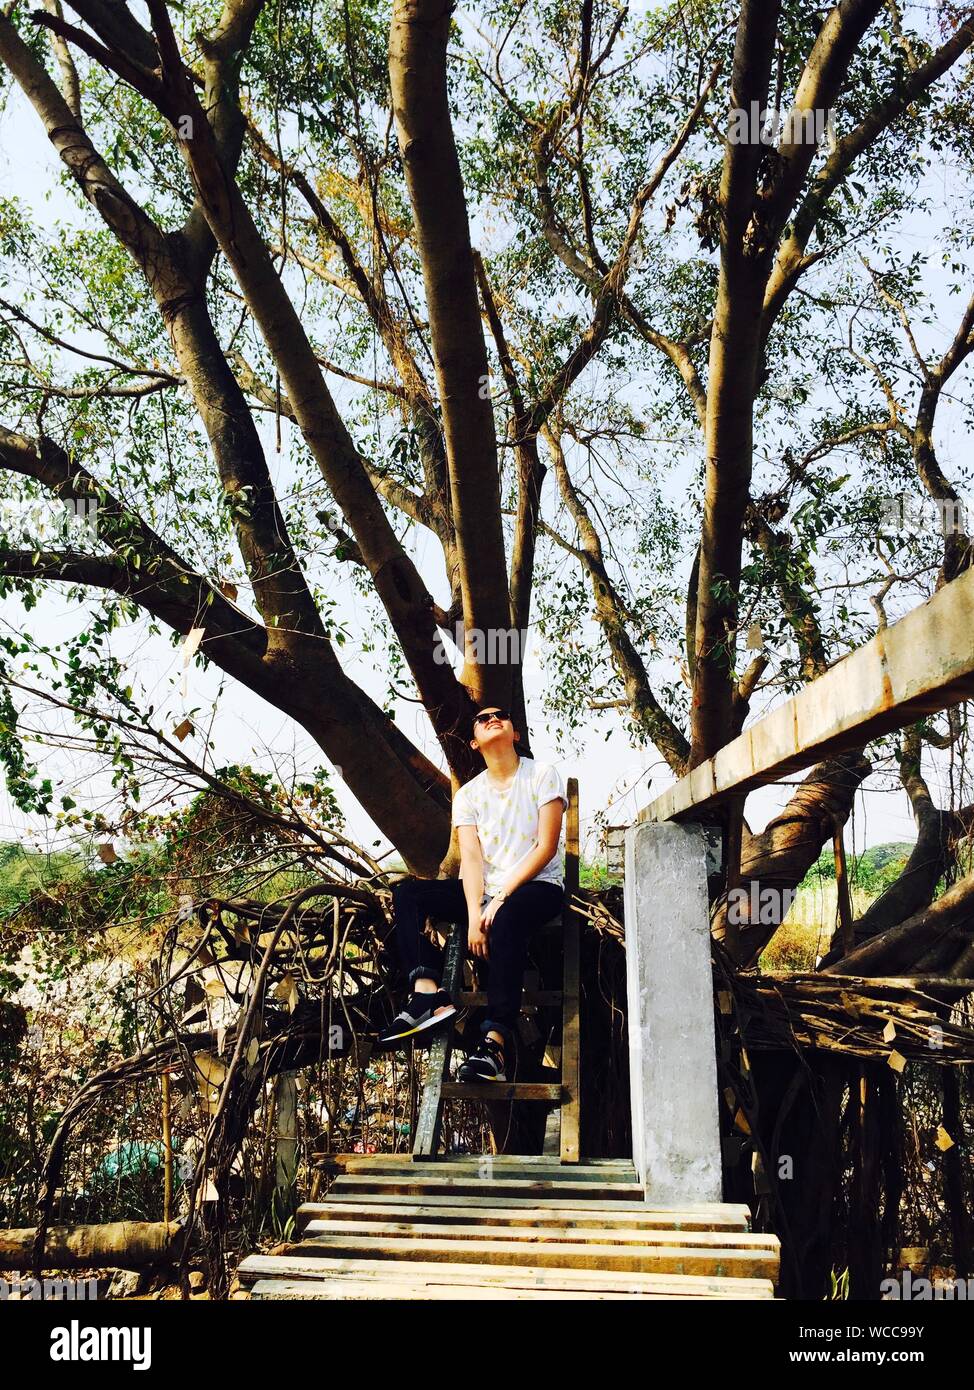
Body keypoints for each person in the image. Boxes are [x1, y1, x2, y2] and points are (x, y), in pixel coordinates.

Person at [377, 706, 567, 1081]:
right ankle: (428, 994)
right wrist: (473, 917)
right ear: (474, 742)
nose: (493, 718)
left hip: (538, 886)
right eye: (482, 718)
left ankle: (494, 1042)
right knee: (410, 894)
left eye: (502, 715)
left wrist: (496, 902)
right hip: (486, 893)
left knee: (507, 919)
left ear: (515, 734)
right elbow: (474, 862)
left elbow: (545, 847)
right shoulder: (469, 795)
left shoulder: (542, 775)